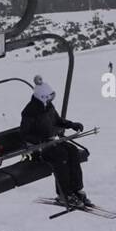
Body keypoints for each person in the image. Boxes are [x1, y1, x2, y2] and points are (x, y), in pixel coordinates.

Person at [20, 77, 91, 207]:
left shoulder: (48, 106)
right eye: (49, 97)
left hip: (52, 142)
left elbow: (57, 120)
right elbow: (25, 134)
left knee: (72, 151)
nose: (51, 99)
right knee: (61, 155)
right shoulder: (29, 112)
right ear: (42, 96)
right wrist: (39, 140)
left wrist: (71, 125)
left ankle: (77, 190)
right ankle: (64, 194)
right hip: (39, 149)